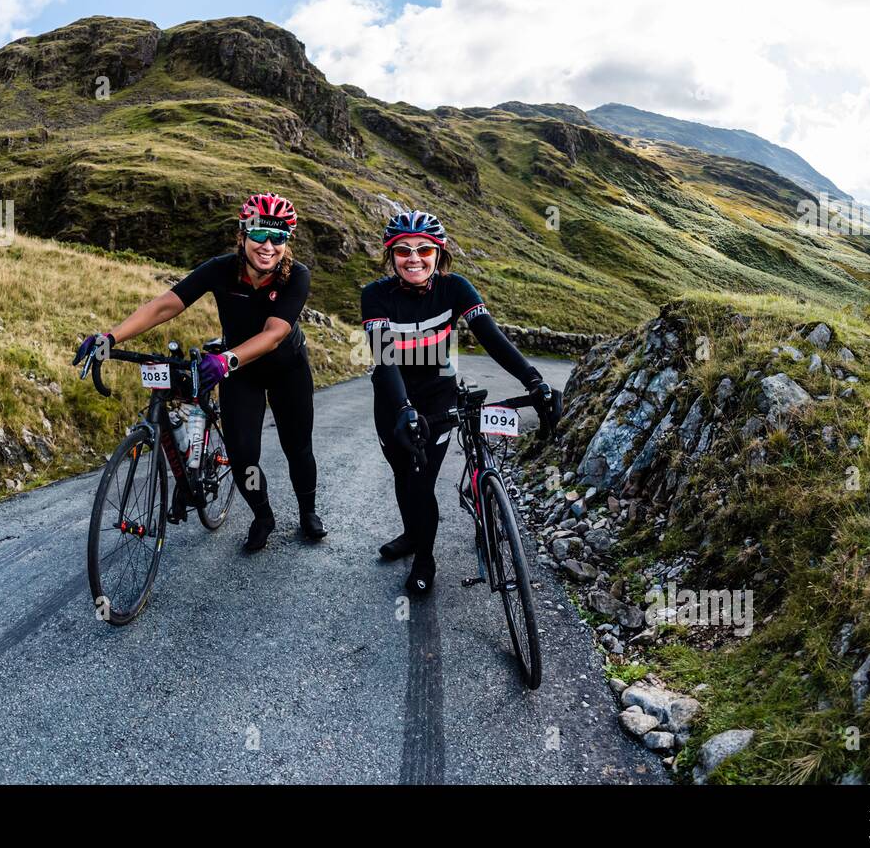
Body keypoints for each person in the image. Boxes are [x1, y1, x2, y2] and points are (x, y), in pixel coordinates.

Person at [74, 193, 326, 551]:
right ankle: (263, 516)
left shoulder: (295, 276)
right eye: (258, 235)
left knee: (297, 447)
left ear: (287, 243)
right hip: (243, 374)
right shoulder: (221, 269)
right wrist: (110, 337)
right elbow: (165, 305)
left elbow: (274, 334)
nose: (267, 246)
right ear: (242, 236)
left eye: (278, 238)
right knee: (242, 456)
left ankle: (308, 511)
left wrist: (226, 359)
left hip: (286, 369)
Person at [360, 210, 560, 596]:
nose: (413, 258)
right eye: (403, 250)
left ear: (439, 252)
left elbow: (490, 335)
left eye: (423, 249)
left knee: (420, 482)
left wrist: (534, 380)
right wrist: (403, 409)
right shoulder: (375, 296)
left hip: (437, 396)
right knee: (404, 477)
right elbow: (384, 360)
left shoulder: (455, 288)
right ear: (391, 255)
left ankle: (425, 558)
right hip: (393, 399)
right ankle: (410, 534)